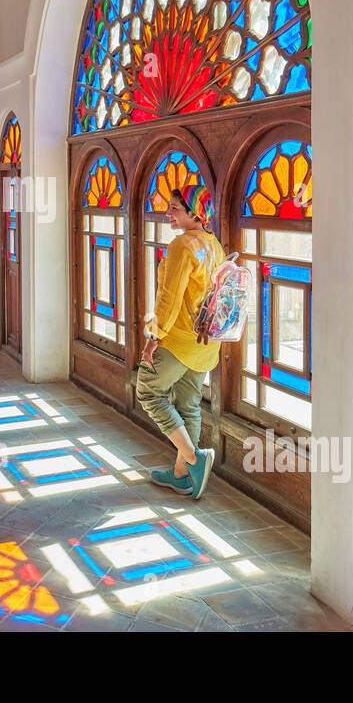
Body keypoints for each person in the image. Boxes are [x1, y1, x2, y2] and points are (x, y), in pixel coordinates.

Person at [138, 184, 224, 499]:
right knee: (188, 404)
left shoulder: (183, 246)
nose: (167, 213)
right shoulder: (214, 246)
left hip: (178, 341)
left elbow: (168, 300)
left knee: (148, 391)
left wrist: (152, 337)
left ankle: (194, 458)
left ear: (194, 212)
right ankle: (181, 476)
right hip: (207, 344)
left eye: (175, 207)